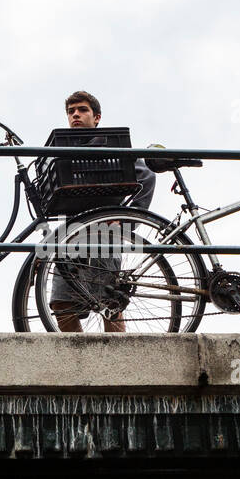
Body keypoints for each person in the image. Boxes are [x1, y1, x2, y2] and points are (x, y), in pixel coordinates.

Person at [51, 91, 154, 332]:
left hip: (103, 233)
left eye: (82, 110)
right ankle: (82, 363)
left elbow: (146, 176)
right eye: (71, 111)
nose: (75, 114)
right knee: (60, 303)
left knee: (108, 302)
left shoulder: (110, 145)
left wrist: (126, 221)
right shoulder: (63, 151)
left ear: (96, 117)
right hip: (72, 234)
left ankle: (118, 363)